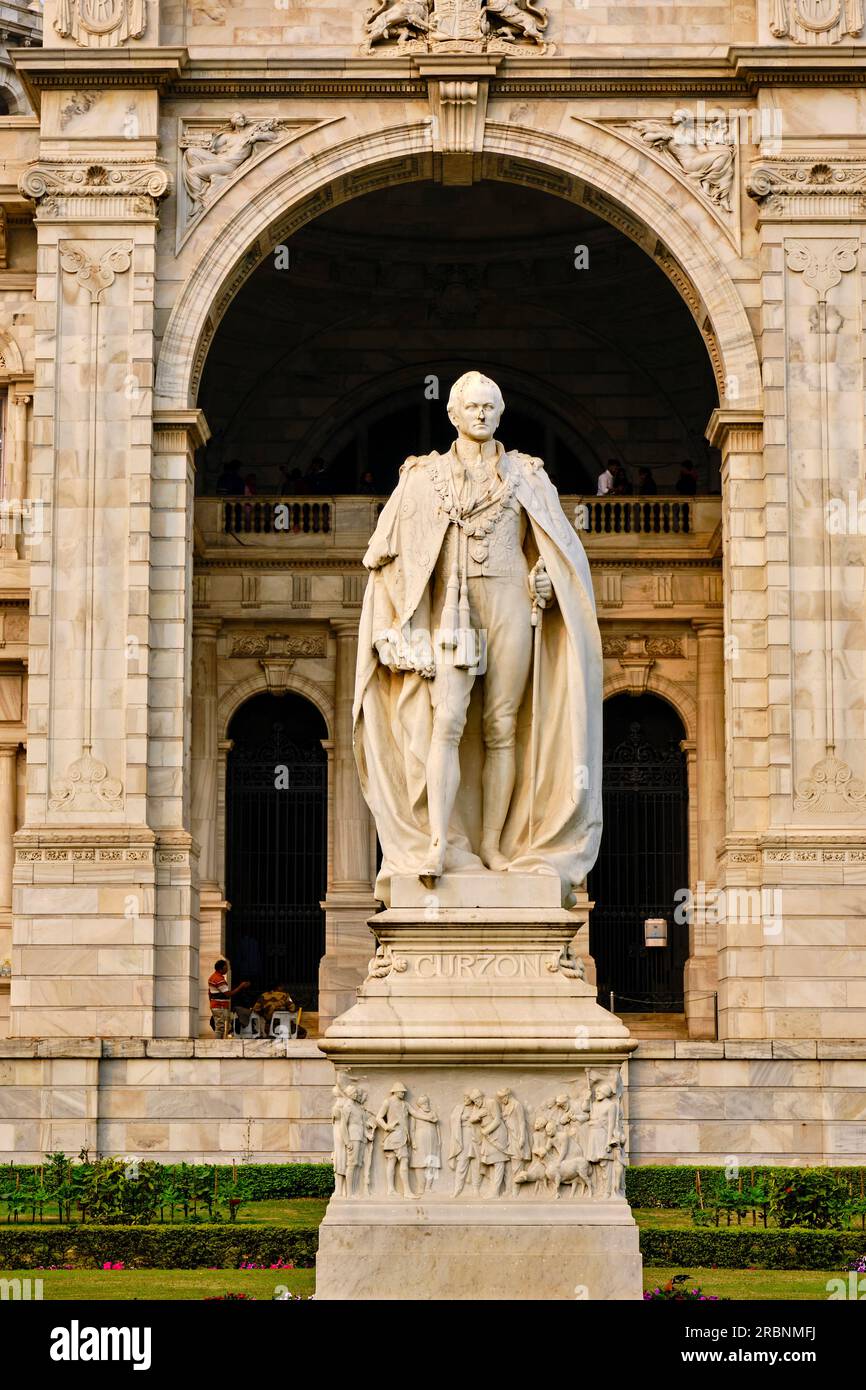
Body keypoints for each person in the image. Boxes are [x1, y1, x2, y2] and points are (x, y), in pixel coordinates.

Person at [353, 371, 601, 903]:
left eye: (490, 407)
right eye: (472, 407)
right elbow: (387, 557)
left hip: (511, 600)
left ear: (500, 412)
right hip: (451, 609)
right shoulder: (422, 477)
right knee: (446, 720)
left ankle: (493, 845)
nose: (482, 415)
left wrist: (547, 577)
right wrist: (392, 628)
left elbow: (559, 549)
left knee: (502, 726)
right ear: (453, 415)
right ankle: (441, 840)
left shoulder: (528, 475)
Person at [207, 959, 250, 1039]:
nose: (227, 969)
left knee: (222, 1026)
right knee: (220, 1027)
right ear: (221, 968)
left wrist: (211, 1005)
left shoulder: (213, 977)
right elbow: (228, 994)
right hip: (219, 1006)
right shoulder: (218, 979)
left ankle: (220, 1042)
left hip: (217, 1005)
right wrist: (241, 986)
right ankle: (218, 1044)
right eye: (226, 967)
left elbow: (209, 993)